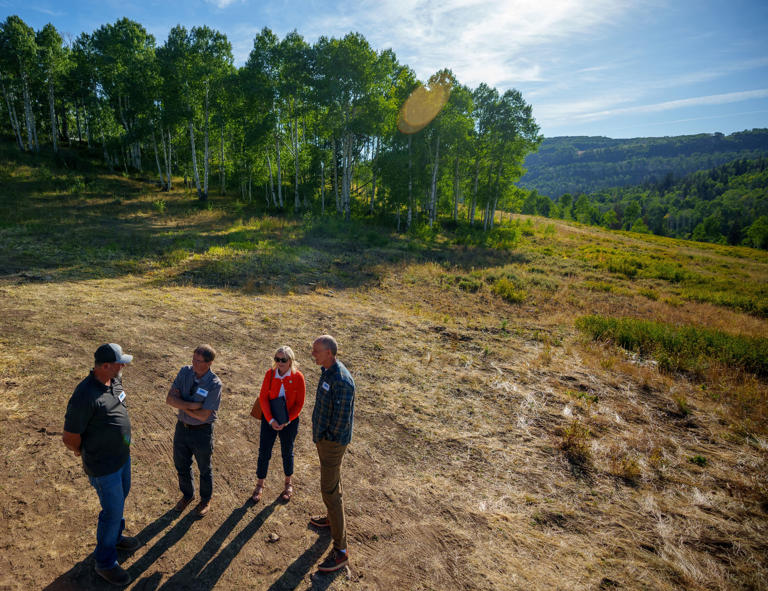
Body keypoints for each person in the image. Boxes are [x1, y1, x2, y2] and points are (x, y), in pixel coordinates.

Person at [62, 343, 140, 586]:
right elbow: (70, 437)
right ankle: (105, 563)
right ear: (105, 366)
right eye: (120, 362)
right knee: (112, 511)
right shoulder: (84, 395)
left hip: (121, 458)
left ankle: (115, 536)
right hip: (103, 466)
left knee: (121, 499)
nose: (124, 365)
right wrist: (82, 452)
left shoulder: (113, 381)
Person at [309, 335, 355, 573]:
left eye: (316, 351)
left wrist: (325, 437)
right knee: (332, 486)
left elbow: (340, 421)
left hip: (332, 443)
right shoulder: (327, 370)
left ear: (329, 352)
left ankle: (341, 552)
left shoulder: (341, 380)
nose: (313, 354)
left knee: (330, 491)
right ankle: (331, 519)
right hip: (325, 440)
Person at [166, 344, 222, 518]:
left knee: (204, 468)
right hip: (182, 428)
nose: (194, 363)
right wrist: (191, 406)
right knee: (181, 464)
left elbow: (204, 416)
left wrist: (181, 405)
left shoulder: (214, 384)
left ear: (210, 363)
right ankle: (187, 495)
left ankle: (205, 500)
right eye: (193, 359)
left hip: (202, 432)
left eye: (199, 361)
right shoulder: (185, 372)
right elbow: (169, 399)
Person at [250, 346, 306, 503]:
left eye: (283, 360)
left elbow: (299, 404)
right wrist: (271, 420)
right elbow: (263, 398)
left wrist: (287, 421)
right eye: (277, 359)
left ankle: (288, 483)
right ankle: (260, 484)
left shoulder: (298, 377)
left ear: (290, 361)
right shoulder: (270, 374)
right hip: (270, 419)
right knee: (264, 452)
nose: (279, 362)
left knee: (287, 451)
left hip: (289, 421)